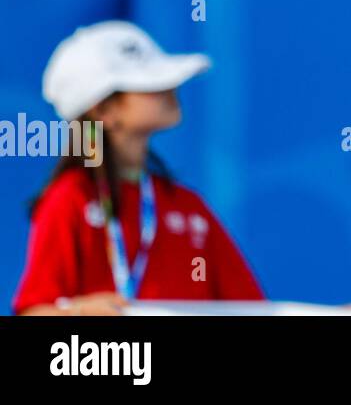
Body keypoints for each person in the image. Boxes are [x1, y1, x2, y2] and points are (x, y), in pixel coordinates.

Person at [13, 20, 265, 315]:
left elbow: (254, 311)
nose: (171, 87)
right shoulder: (70, 199)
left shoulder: (187, 206)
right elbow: (33, 310)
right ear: (104, 111)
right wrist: (76, 312)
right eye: (149, 83)